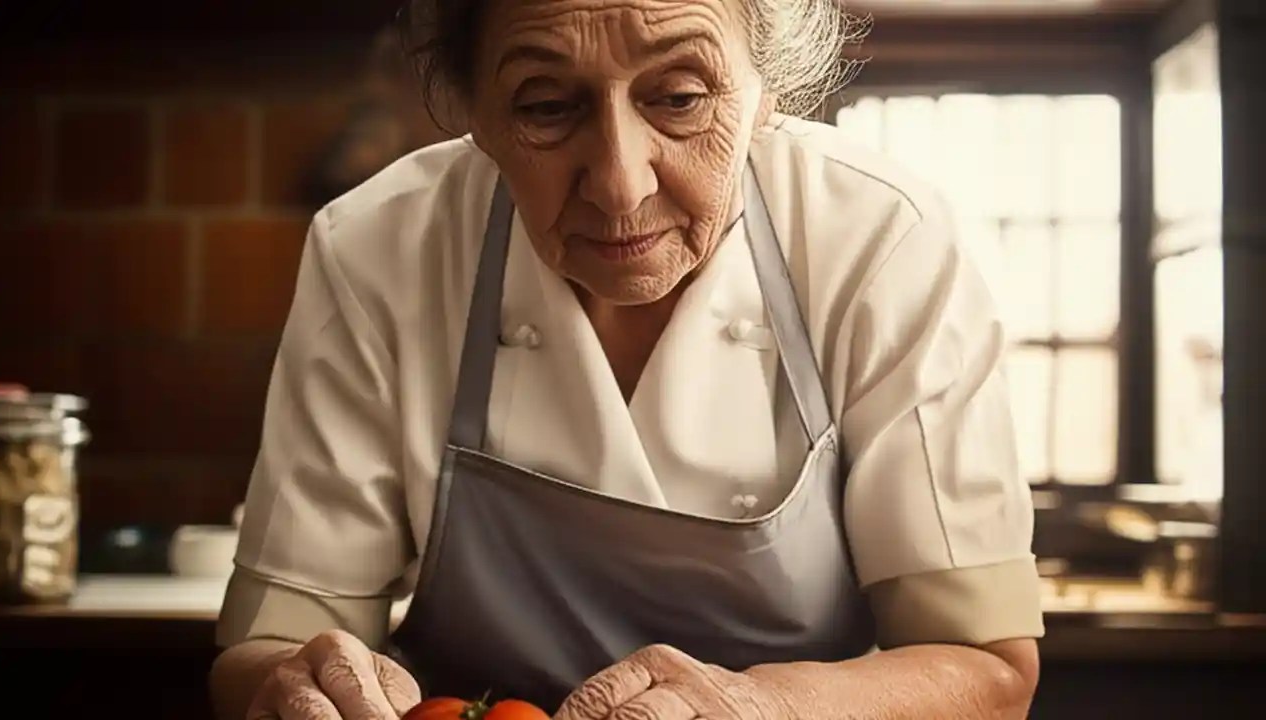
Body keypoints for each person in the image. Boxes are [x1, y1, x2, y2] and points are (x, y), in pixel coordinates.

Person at [209, 1, 1046, 718]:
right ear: (474, 113)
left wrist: (768, 707)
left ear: (767, 92)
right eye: (545, 106)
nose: (619, 183)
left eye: (679, 98)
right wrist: (298, 683)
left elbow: (987, 669)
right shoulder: (378, 249)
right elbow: (269, 645)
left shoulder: (879, 238)